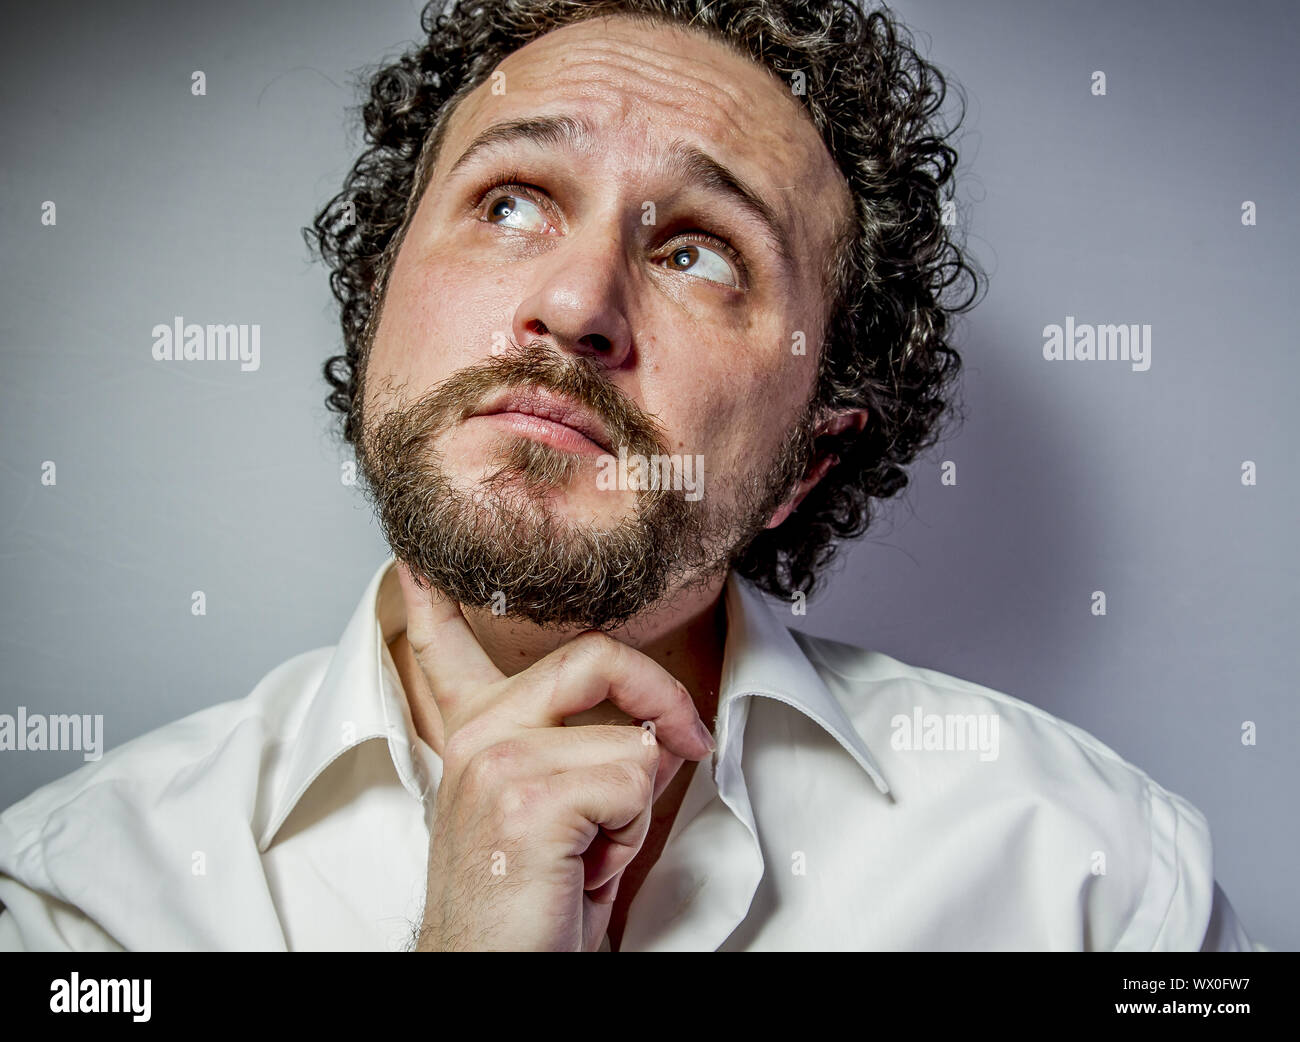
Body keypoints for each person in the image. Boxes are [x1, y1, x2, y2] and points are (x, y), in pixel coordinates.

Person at [0, 0, 1254, 951]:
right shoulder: (78, 899)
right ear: (378, 311)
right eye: (509, 203)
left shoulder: (1099, 880)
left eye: (702, 252)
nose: (575, 303)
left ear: (805, 463)